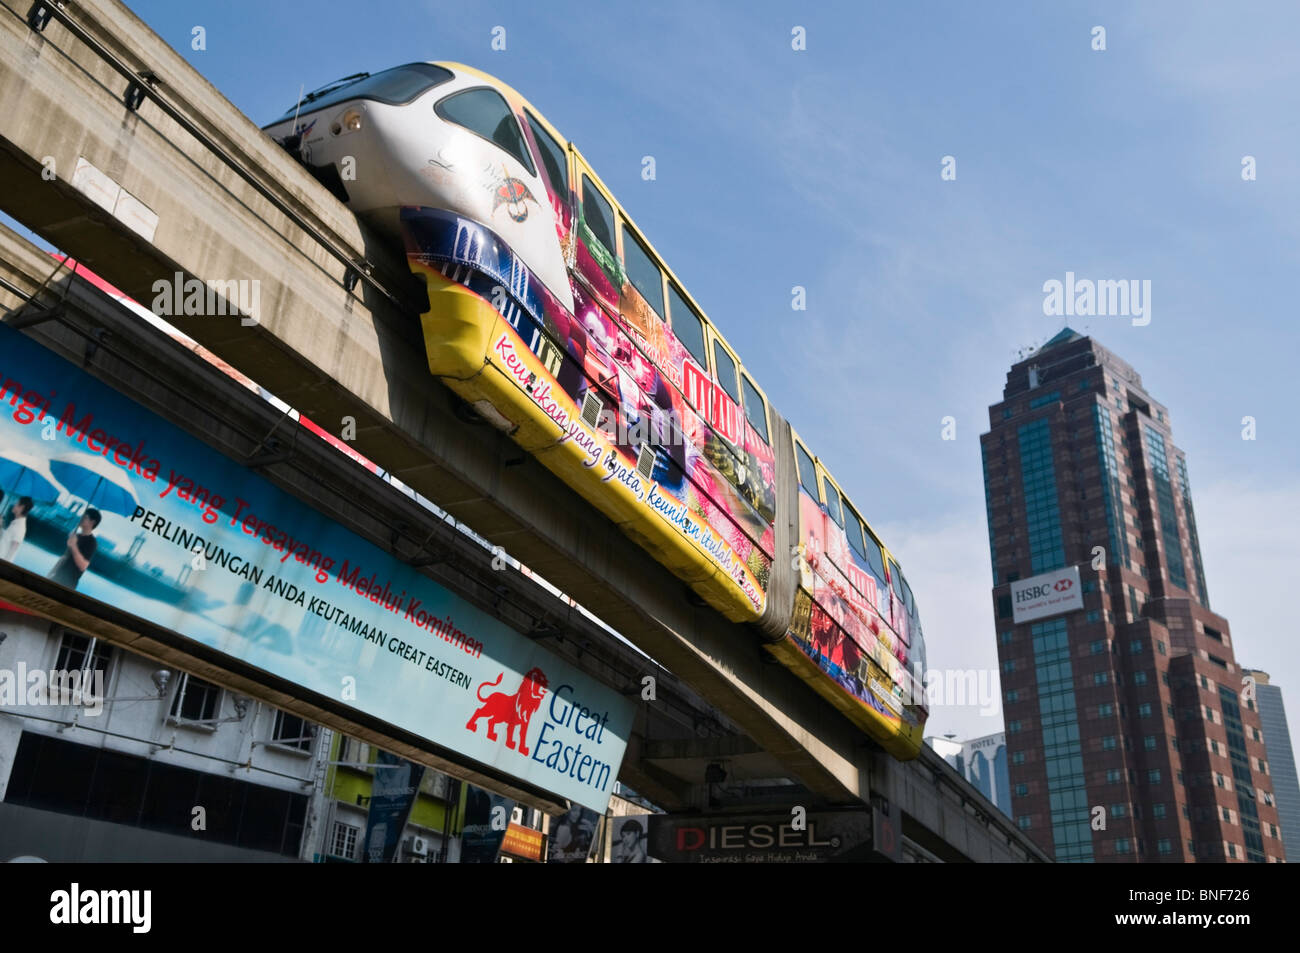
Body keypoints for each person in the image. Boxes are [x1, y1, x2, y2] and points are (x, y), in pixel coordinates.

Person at [47, 507, 100, 590]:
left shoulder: (92, 542)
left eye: (85, 517)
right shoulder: (76, 536)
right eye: (82, 515)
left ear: (92, 522)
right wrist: (51, 573)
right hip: (56, 576)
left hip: (68, 583)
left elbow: (83, 566)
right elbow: (65, 557)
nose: (81, 518)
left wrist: (74, 546)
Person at [0, 495, 33, 563]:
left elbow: (12, 551)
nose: (14, 505)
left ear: (21, 507)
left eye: (16, 504)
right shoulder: (15, 523)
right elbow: (5, 540)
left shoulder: (20, 527)